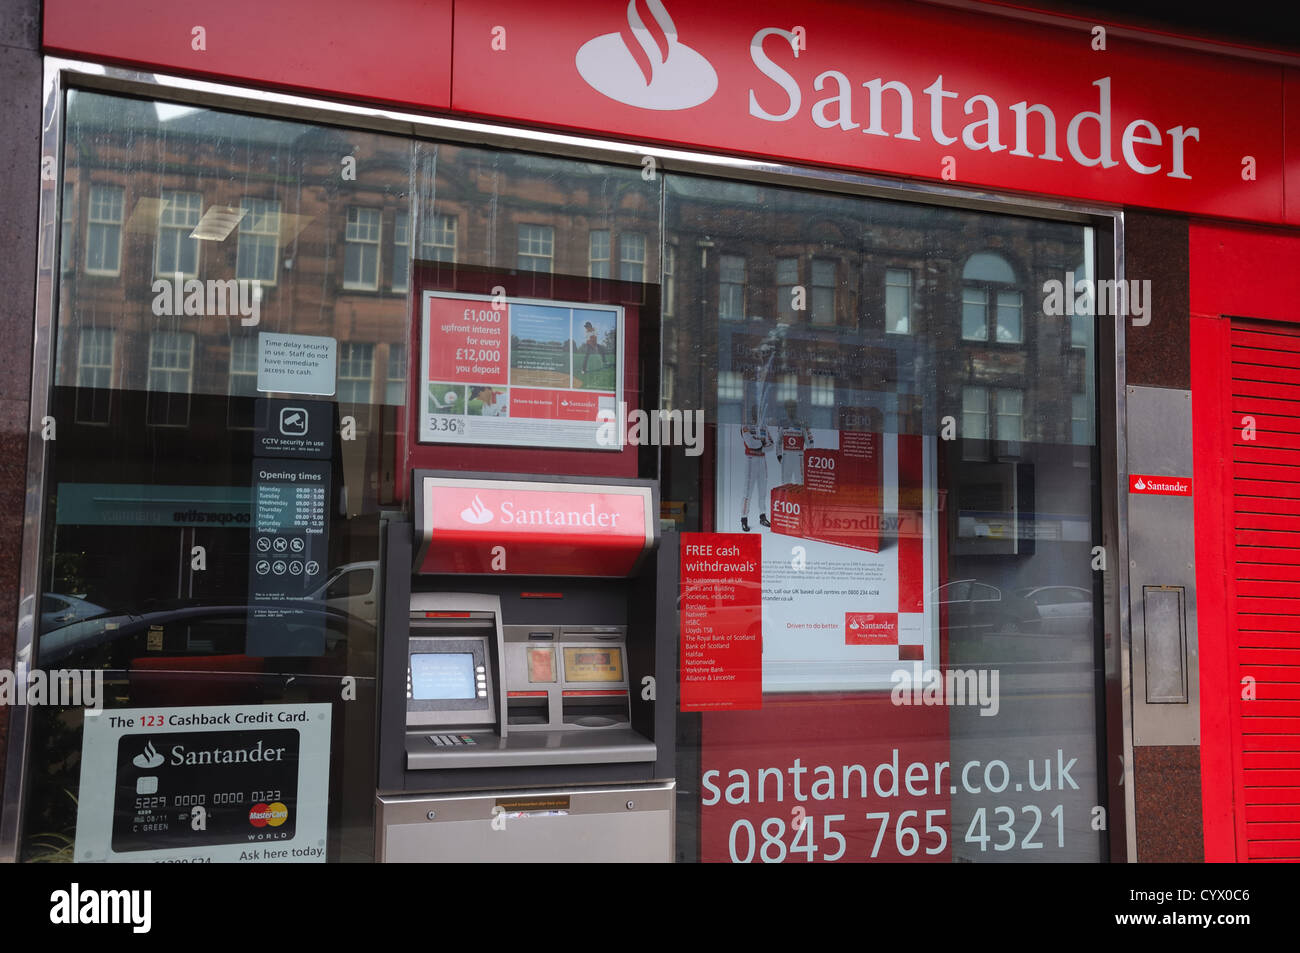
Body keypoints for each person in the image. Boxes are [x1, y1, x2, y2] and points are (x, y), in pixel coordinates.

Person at [740, 413, 772, 532]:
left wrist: (760, 444)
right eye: (754, 414)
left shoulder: (763, 427)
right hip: (751, 460)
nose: (756, 417)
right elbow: (750, 443)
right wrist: (762, 443)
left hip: (762, 461)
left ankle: (762, 516)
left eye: (759, 415)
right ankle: (744, 519)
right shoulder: (745, 426)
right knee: (747, 492)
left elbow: (771, 444)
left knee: (762, 491)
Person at [777, 399, 812, 486]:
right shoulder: (783, 423)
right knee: (785, 484)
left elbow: (810, 443)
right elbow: (779, 441)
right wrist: (779, 455)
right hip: (786, 457)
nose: (791, 409)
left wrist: (807, 458)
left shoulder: (802, 423)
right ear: (786, 409)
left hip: (799, 457)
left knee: (800, 484)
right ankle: (785, 500)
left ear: (796, 409)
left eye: (793, 407)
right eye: (789, 407)